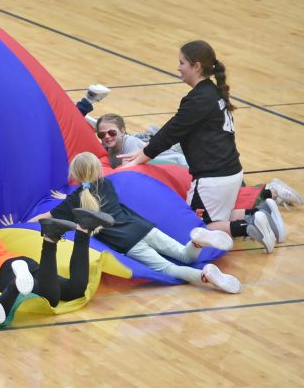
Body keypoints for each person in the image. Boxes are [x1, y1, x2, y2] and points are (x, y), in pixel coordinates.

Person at [117, 40, 285, 252]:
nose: (178, 68)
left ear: (196, 66)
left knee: (197, 227)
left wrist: (139, 158)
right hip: (230, 172)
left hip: (213, 179)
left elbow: (171, 132)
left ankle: (248, 226)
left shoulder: (199, 98)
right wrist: (143, 149)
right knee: (218, 217)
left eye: (182, 63)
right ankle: (260, 213)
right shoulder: (212, 92)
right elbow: (174, 131)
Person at [31, 152, 240, 293]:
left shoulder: (74, 201)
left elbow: (46, 218)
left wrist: (17, 224)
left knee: (168, 269)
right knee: (183, 255)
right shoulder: (106, 184)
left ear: (74, 174)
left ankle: (203, 276)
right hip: (144, 227)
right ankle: (198, 242)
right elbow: (90, 193)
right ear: (97, 169)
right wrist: (66, 200)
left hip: (127, 242)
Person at [0, 185, 110, 314]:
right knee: (75, 289)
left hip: (2, 273)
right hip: (19, 262)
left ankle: (50, 239)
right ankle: (84, 229)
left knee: (51, 299)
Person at [95, 114, 186, 168]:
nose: (106, 136)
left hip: (178, 162)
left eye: (112, 132)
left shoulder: (130, 142)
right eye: (101, 134)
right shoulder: (110, 150)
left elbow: (128, 170)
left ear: (122, 131)